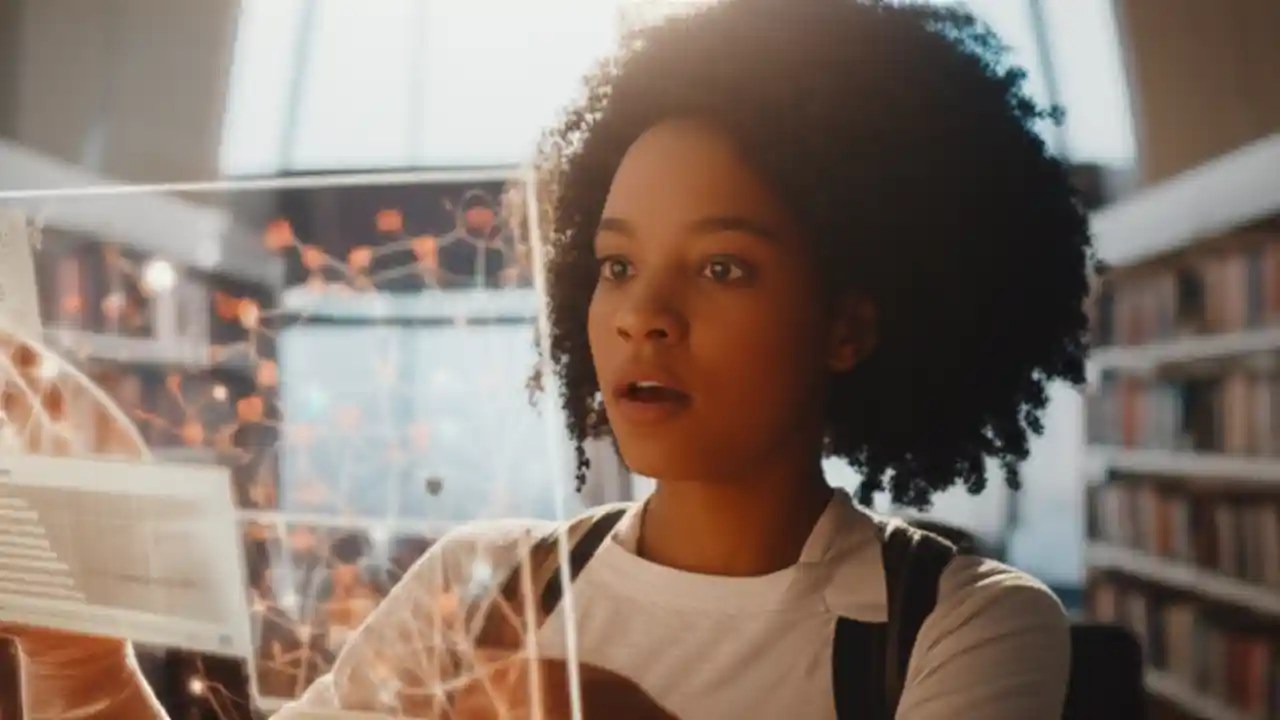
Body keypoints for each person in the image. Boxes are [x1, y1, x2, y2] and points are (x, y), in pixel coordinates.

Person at [2, 0, 1094, 717]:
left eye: (721, 270)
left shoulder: (961, 625)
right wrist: (81, 655)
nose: (640, 318)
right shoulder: (478, 587)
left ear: (846, 326)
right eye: (615, 268)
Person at [436, 190, 513, 289]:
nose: (480, 217)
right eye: (476, 211)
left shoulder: (498, 252)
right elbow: (446, 282)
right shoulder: (449, 248)